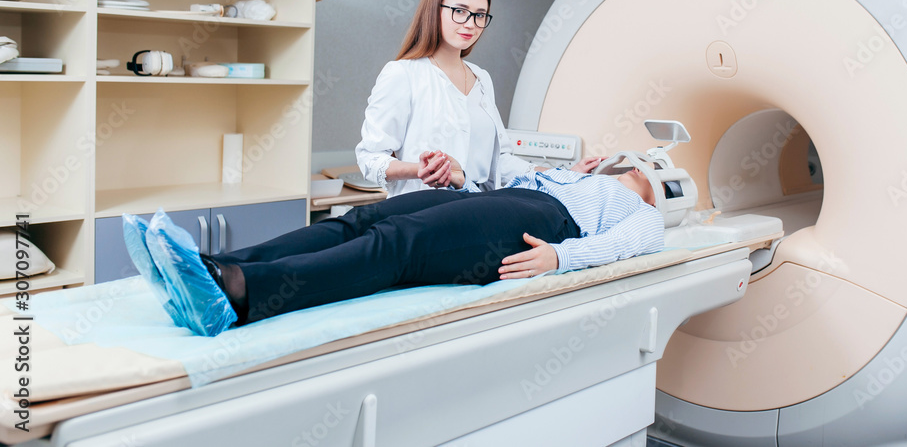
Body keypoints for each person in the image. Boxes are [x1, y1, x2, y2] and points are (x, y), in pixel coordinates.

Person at [132, 165, 666, 336]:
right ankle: (217, 267)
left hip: (535, 223)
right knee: (357, 220)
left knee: (397, 246)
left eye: (646, 172)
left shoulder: (643, 211)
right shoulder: (582, 175)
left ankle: (241, 294)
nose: (638, 167)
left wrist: (560, 257)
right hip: (500, 198)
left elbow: (633, 244)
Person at [356, 0, 599, 197]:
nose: (471, 23)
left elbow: (500, 161)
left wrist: (563, 176)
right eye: (460, 11)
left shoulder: (481, 78)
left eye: (480, 15)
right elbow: (370, 158)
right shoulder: (403, 74)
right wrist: (420, 170)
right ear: (434, 9)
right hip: (421, 213)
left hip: (477, 210)